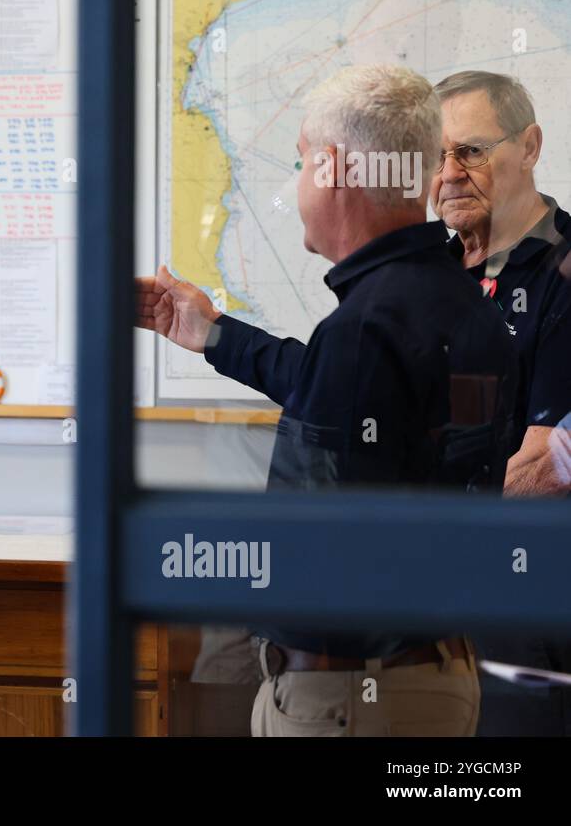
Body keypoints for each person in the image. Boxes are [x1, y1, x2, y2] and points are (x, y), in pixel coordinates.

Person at [137, 64, 518, 736]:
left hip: (351, 696)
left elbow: (324, 546)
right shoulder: (454, 301)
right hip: (428, 676)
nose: (296, 182)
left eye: (302, 160)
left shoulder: (366, 329)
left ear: (335, 167)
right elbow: (339, 399)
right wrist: (214, 334)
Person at [431, 71, 571, 735]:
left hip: (525, 616)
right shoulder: (424, 273)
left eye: (471, 151)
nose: (449, 173)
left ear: (531, 146)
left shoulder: (563, 272)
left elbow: (540, 471)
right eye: (435, 155)